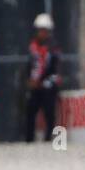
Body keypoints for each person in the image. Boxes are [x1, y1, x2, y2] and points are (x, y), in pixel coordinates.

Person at [22, 14, 60, 143]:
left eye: (45, 31)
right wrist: (29, 80)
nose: (42, 34)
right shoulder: (32, 47)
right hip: (35, 86)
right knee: (30, 111)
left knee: (49, 112)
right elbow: (29, 66)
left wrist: (42, 82)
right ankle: (29, 139)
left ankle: (49, 139)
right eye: (40, 30)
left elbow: (54, 69)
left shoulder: (53, 48)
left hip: (48, 85)